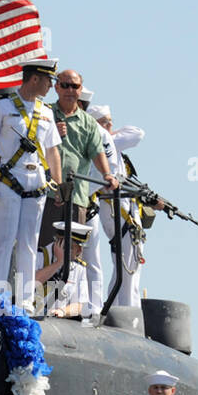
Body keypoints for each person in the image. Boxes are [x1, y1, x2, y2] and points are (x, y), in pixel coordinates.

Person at [0, 58, 63, 303]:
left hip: (35, 181)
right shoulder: (2, 107)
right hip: (9, 177)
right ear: (34, 78)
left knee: (29, 242)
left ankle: (25, 299)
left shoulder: (46, 112)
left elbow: (52, 151)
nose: (50, 86)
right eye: (48, 80)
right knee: (4, 239)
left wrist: (57, 185)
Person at [48, 70, 116, 294]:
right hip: (47, 193)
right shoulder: (46, 114)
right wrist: (51, 133)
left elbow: (97, 152)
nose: (70, 91)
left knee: (72, 250)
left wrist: (107, 175)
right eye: (65, 85)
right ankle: (37, 294)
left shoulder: (87, 122)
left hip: (76, 196)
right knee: (44, 247)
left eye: (75, 87)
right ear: (56, 87)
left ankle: (65, 300)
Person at [88, 103, 153, 308]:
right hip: (118, 211)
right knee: (126, 266)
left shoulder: (112, 145)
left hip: (128, 209)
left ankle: (125, 307)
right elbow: (137, 134)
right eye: (105, 122)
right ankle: (124, 310)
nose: (110, 125)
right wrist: (108, 133)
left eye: (110, 121)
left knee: (130, 267)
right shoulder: (107, 143)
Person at [34, 220, 96, 317]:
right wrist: (58, 262)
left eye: (71, 247)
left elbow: (80, 304)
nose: (79, 252)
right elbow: (32, 283)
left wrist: (63, 311)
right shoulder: (39, 256)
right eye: (66, 246)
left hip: (54, 319)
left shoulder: (79, 268)